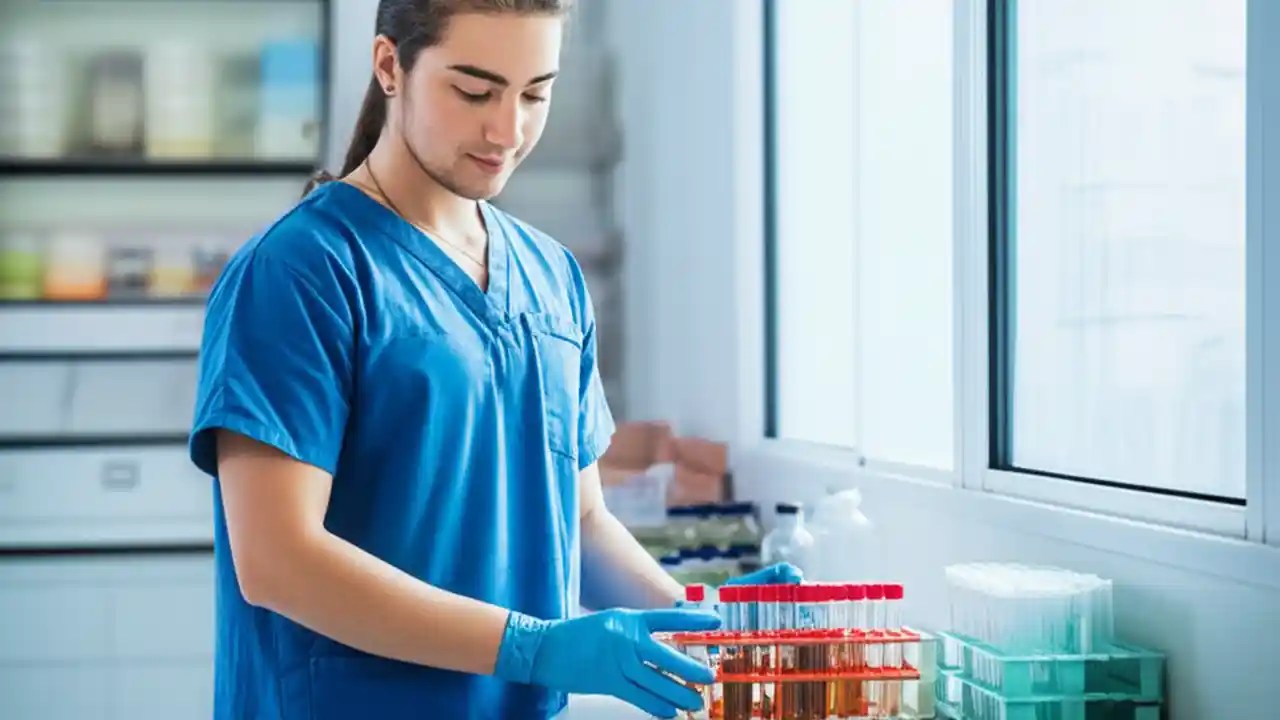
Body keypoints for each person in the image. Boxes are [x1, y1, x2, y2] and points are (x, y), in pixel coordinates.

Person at [187, 1, 800, 719]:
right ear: (390, 66)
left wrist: (704, 627)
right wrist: (534, 647)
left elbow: (580, 521)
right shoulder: (301, 271)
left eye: (535, 93)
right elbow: (278, 562)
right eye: (475, 91)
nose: (507, 130)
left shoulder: (552, 277)